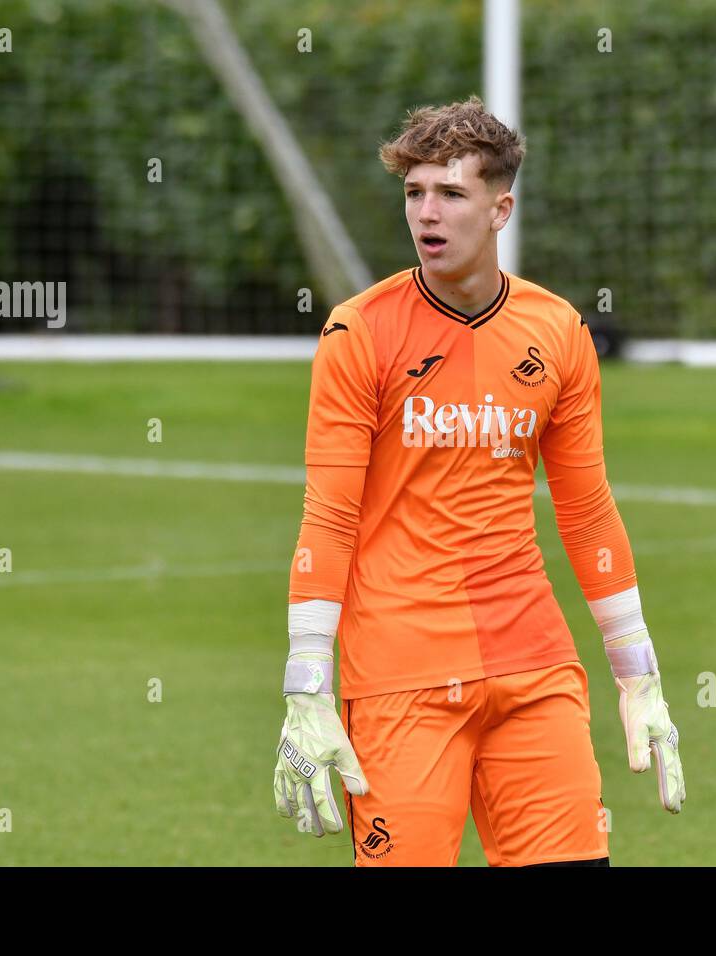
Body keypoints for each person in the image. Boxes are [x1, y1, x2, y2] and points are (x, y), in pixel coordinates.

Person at [273, 95, 685, 867]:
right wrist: (306, 687)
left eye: (451, 194)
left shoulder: (558, 330)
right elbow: (328, 517)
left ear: (501, 209)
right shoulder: (358, 332)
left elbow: (588, 511)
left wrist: (639, 677)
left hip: (533, 664)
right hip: (401, 677)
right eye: (414, 193)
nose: (427, 213)